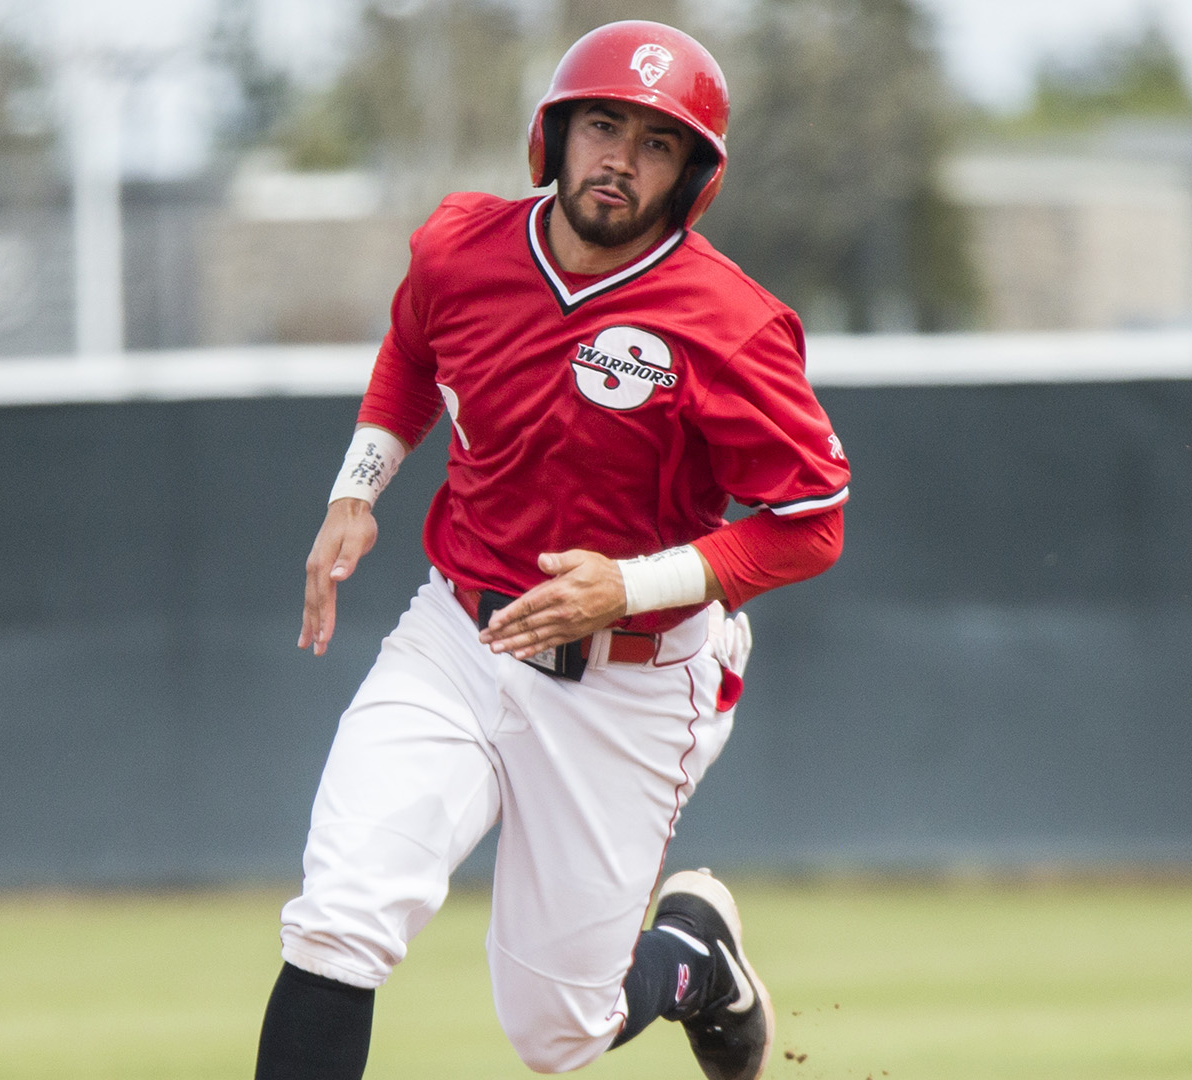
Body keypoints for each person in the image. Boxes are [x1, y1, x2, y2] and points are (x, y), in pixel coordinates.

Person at [255, 20, 849, 1080]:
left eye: (657, 142)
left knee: (555, 1035)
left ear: (691, 176)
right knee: (340, 917)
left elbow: (812, 523)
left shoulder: (731, 324)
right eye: (604, 124)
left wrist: (630, 586)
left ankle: (696, 959)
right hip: (458, 637)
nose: (621, 157)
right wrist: (358, 488)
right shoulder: (462, 245)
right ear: (556, 134)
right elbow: (411, 350)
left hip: (627, 685)